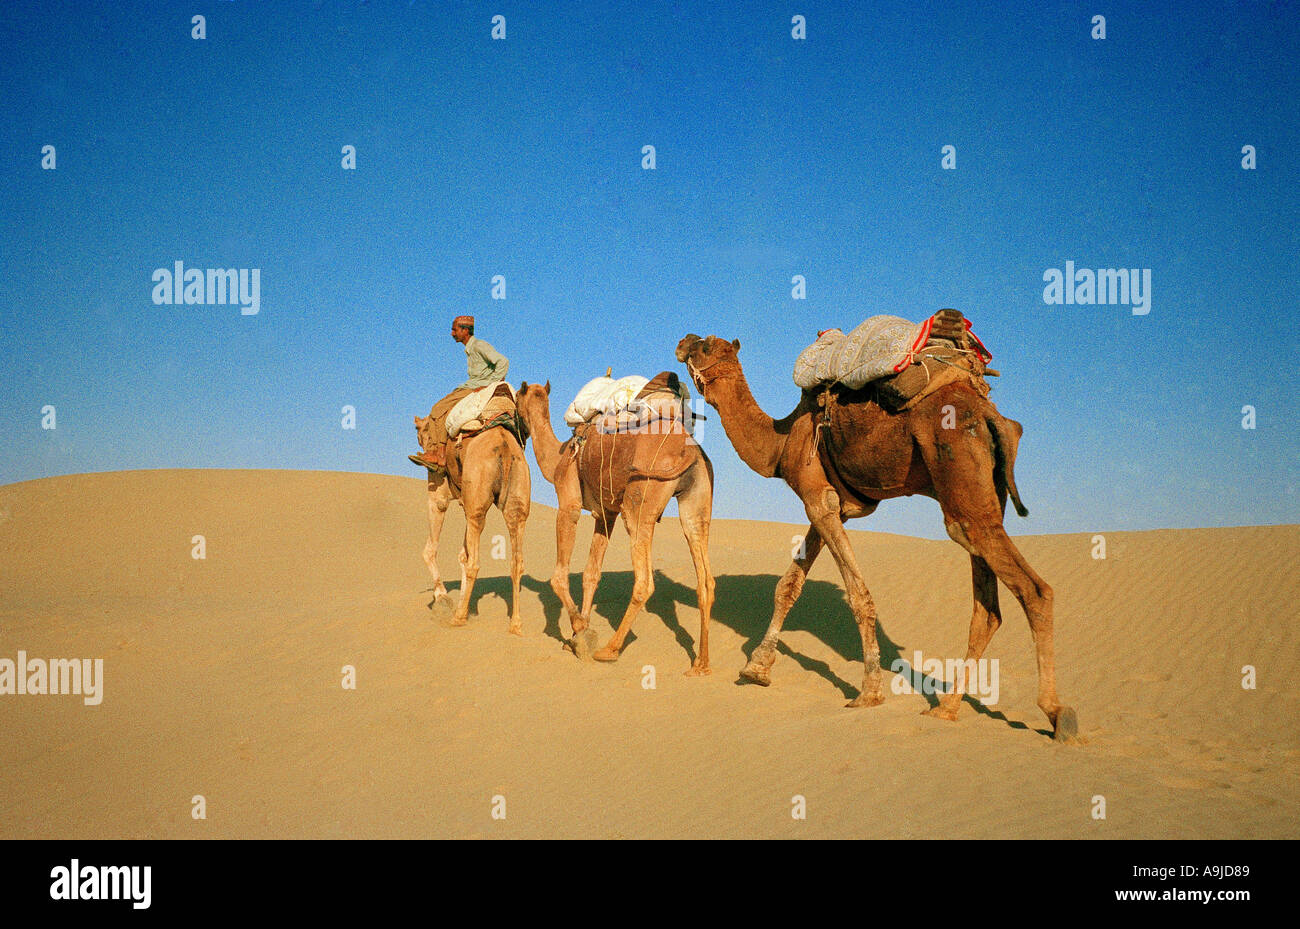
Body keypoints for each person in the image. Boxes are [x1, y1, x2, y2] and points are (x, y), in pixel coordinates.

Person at [410, 316, 510, 472]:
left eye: (454, 330)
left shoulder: (478, 346)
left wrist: (490, 385)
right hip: (472, 385)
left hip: (474, 387)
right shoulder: (471, 349)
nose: (452, 333)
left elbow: (503, 362)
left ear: (465, 330)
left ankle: (438, 454)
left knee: (437, 409)